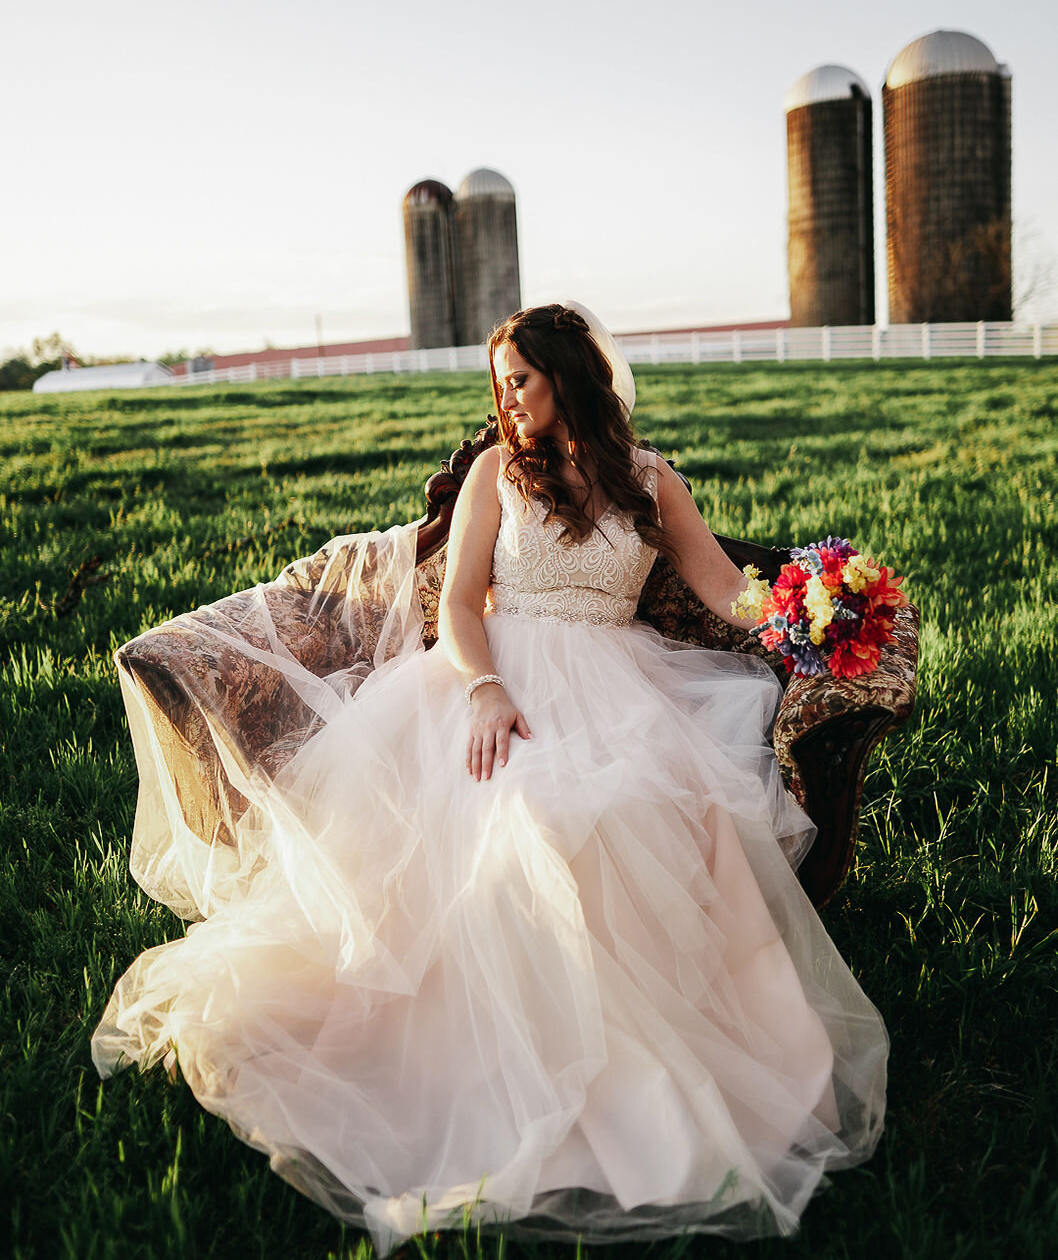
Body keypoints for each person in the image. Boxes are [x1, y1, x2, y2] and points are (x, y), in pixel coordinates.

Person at [93, 303, 887, 1254]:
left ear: (571, 378)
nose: (507, 397)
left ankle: (649, 1063)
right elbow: (463, 602)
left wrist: (809, 608)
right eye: (500, 380)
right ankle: (502, 1068)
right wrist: (484, 690)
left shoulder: (649, 479)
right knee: (531, 815)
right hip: (493, 680)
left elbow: (722, 586)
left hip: (624, 686)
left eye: (523, 378)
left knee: (641, 808)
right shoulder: (493, 475)